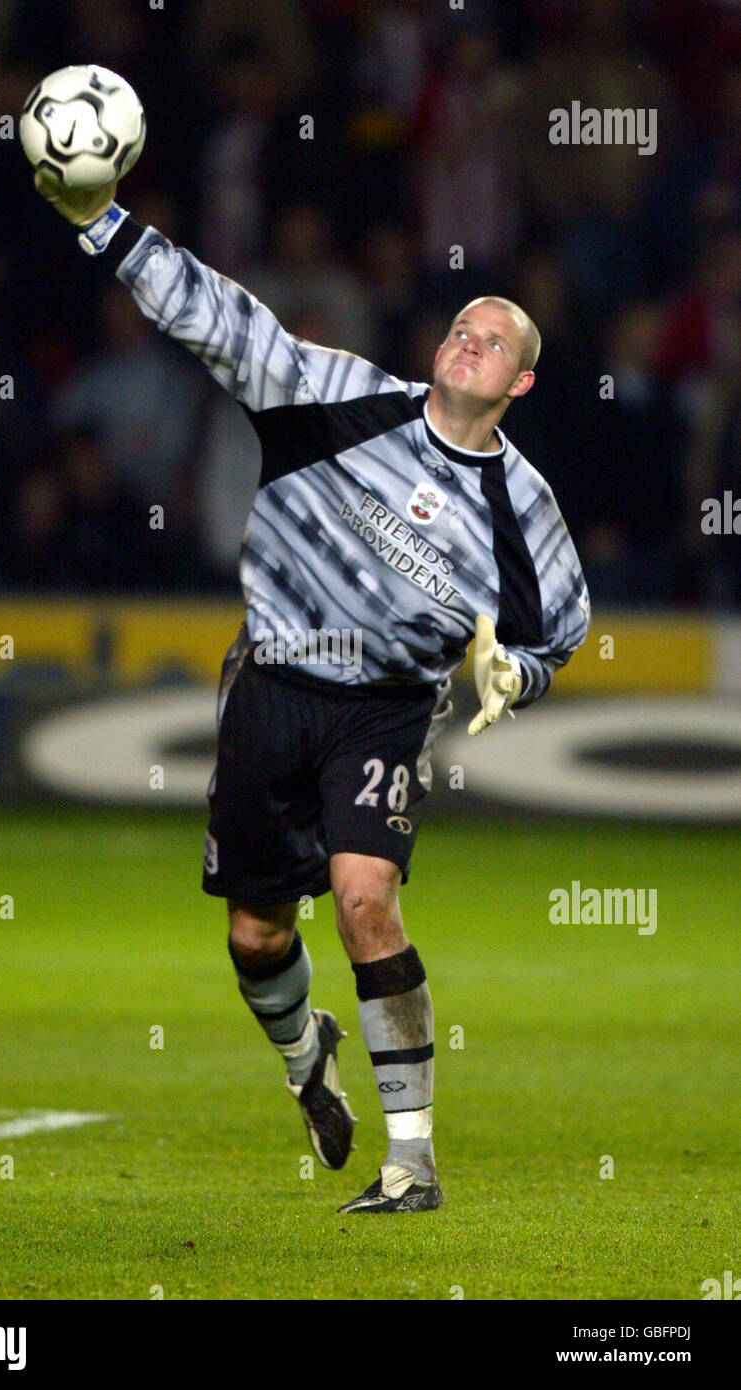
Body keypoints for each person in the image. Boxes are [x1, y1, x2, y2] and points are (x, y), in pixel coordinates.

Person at [33, 169, 590, 1213]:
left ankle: (412, 1161)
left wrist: (518, 675)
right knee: (256, 934)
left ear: (517, 383)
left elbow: (557, 630)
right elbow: (215, 314)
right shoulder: (334, 395)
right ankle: (304, 1052)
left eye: (494, 338)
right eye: (460, 326)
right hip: (271, 683)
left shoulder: (524, 508)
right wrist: (99, 223)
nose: (468, 338)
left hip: (383, 706)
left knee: (363, 898)